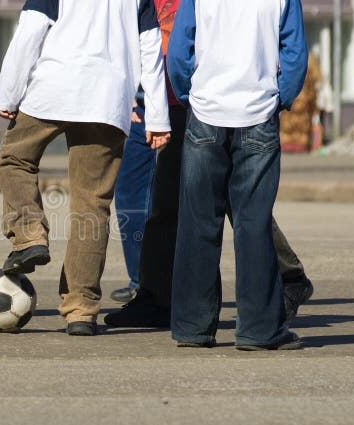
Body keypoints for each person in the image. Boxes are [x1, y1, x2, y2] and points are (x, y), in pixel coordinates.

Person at [104, 0, 314, 329]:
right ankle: (157, 295)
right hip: (168, 92)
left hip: (199, 94)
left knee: (228, 201)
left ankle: (287, 278)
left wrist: (193, 93)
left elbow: (182, 36)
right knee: (168, 202)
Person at [0, 0, 171, 336]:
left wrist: (9, 95)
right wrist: (158, 117)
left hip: (54, 88)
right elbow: (151, 48)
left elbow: (29, 32)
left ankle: (30, 235)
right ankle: (81, 310)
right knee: (93, 202)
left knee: (13, 159)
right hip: (107, 100)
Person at [165, 0, 308, 349]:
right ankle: (260, 330)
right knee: (253, 224)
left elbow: (180, 51)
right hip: (258, 111)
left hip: (206, 111)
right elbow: (294, 53)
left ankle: (192, 327)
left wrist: (190, 95)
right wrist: (281, 98)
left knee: (198, 223)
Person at [110, 94, 156, 304]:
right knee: (130, 195)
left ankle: (265, 279)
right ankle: (142, 283)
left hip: (195, 108)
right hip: (143, 111)